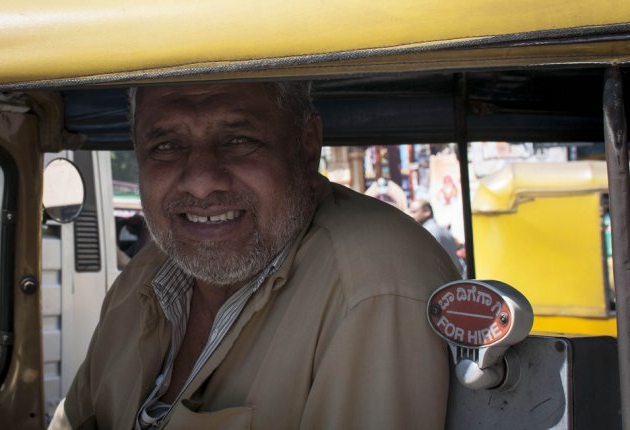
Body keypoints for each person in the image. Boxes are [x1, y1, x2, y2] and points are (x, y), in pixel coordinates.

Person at [49, 82, 460, 430]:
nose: (201, 182)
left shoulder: (376, 281)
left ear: (306, 143)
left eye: (238, 140)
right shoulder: (144, 276)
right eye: (167, 145)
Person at [408, 199, 461, 270]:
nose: (410, 215)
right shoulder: (441, 230)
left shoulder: (427, 232)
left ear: (427, 212)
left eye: (414, 212)